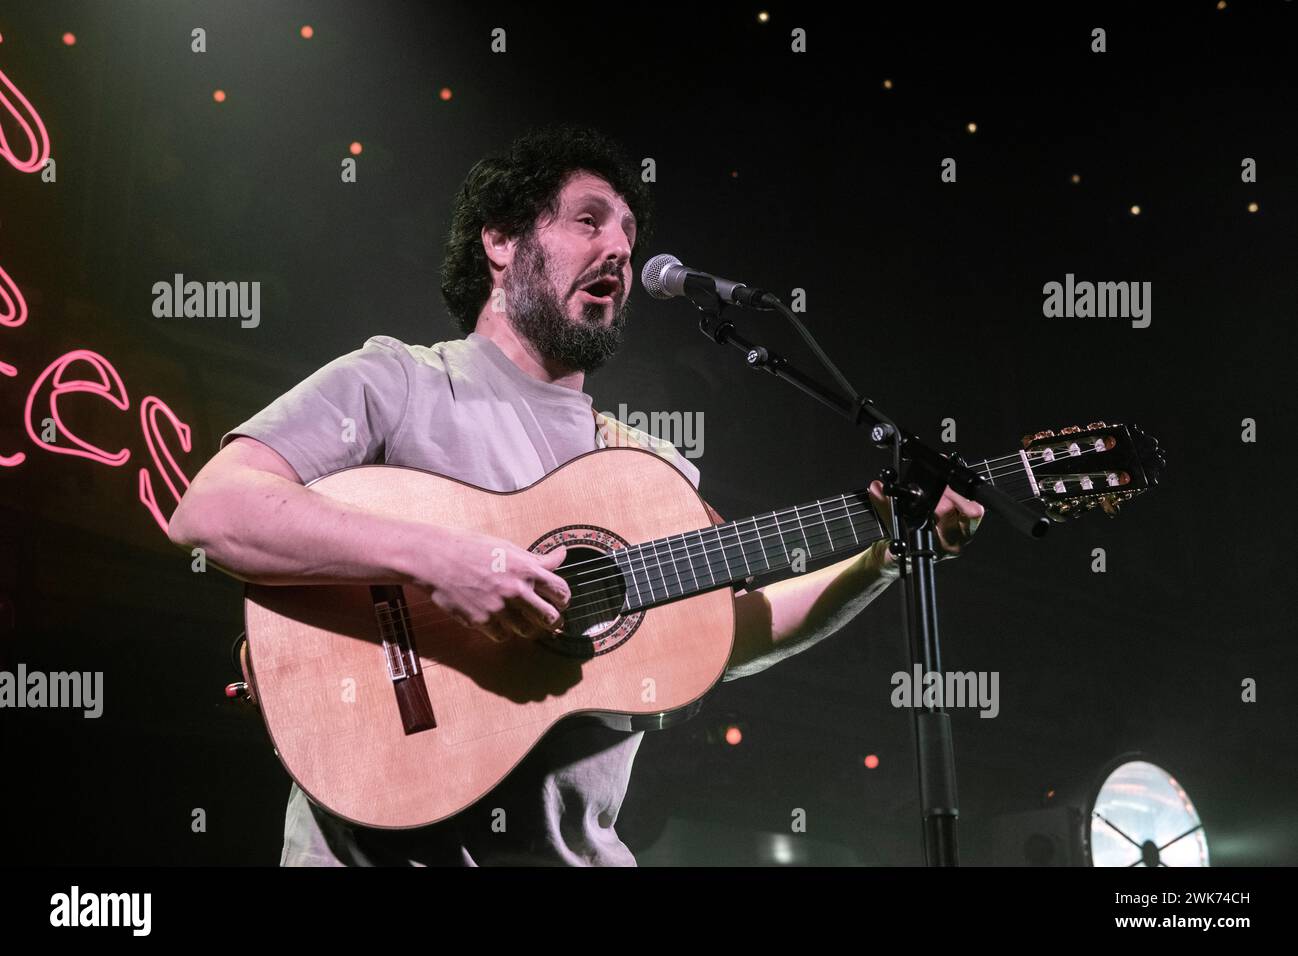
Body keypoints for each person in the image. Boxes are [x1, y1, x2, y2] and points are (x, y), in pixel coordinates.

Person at [166, 124, 984, 866]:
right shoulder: (399, 381)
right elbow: (211, 512)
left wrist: (887, 554)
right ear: (500, 240)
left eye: (630, 232)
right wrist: (446, 560)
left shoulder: (649, 468)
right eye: (590, 220)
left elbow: (730, 636)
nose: (621, 249)